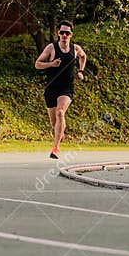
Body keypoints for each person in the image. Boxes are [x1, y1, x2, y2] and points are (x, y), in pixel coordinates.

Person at [34, 20, 87, 159]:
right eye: (62, 32)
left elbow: (83, 56)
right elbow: (37, 64)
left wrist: (81, 71)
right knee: (54, 123)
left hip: (66, 88)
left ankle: (56, 148)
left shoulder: (75, 49)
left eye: (67, 33)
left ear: (71, 34)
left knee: (60, 112)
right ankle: (60, 132)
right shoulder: (51, 48)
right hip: (51, 88)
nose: (64, 35)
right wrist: (51, 64)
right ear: (58, 33)